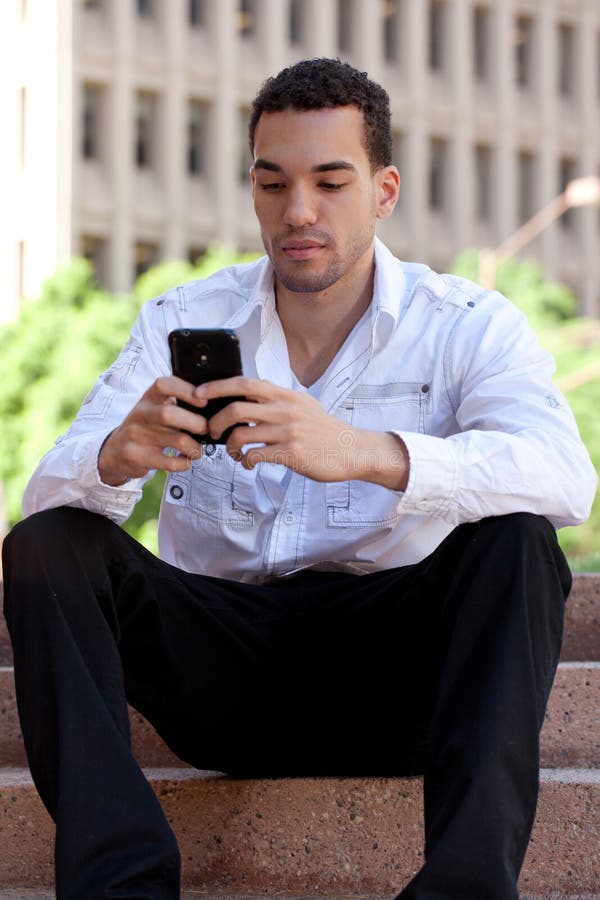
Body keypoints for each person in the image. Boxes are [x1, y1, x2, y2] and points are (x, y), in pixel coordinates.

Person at [2, 57, 596, 900]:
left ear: (384, 192)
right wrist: (116, 456)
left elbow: (566, 477)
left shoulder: (466, 323)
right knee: (48, 543)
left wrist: (365, 451)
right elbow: (43, 510)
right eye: (272, 183)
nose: (299, 211)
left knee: (521, 541)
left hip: (401, 677)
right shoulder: (179, 317)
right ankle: (119, 884)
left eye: (330, 181)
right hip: (219, 670)